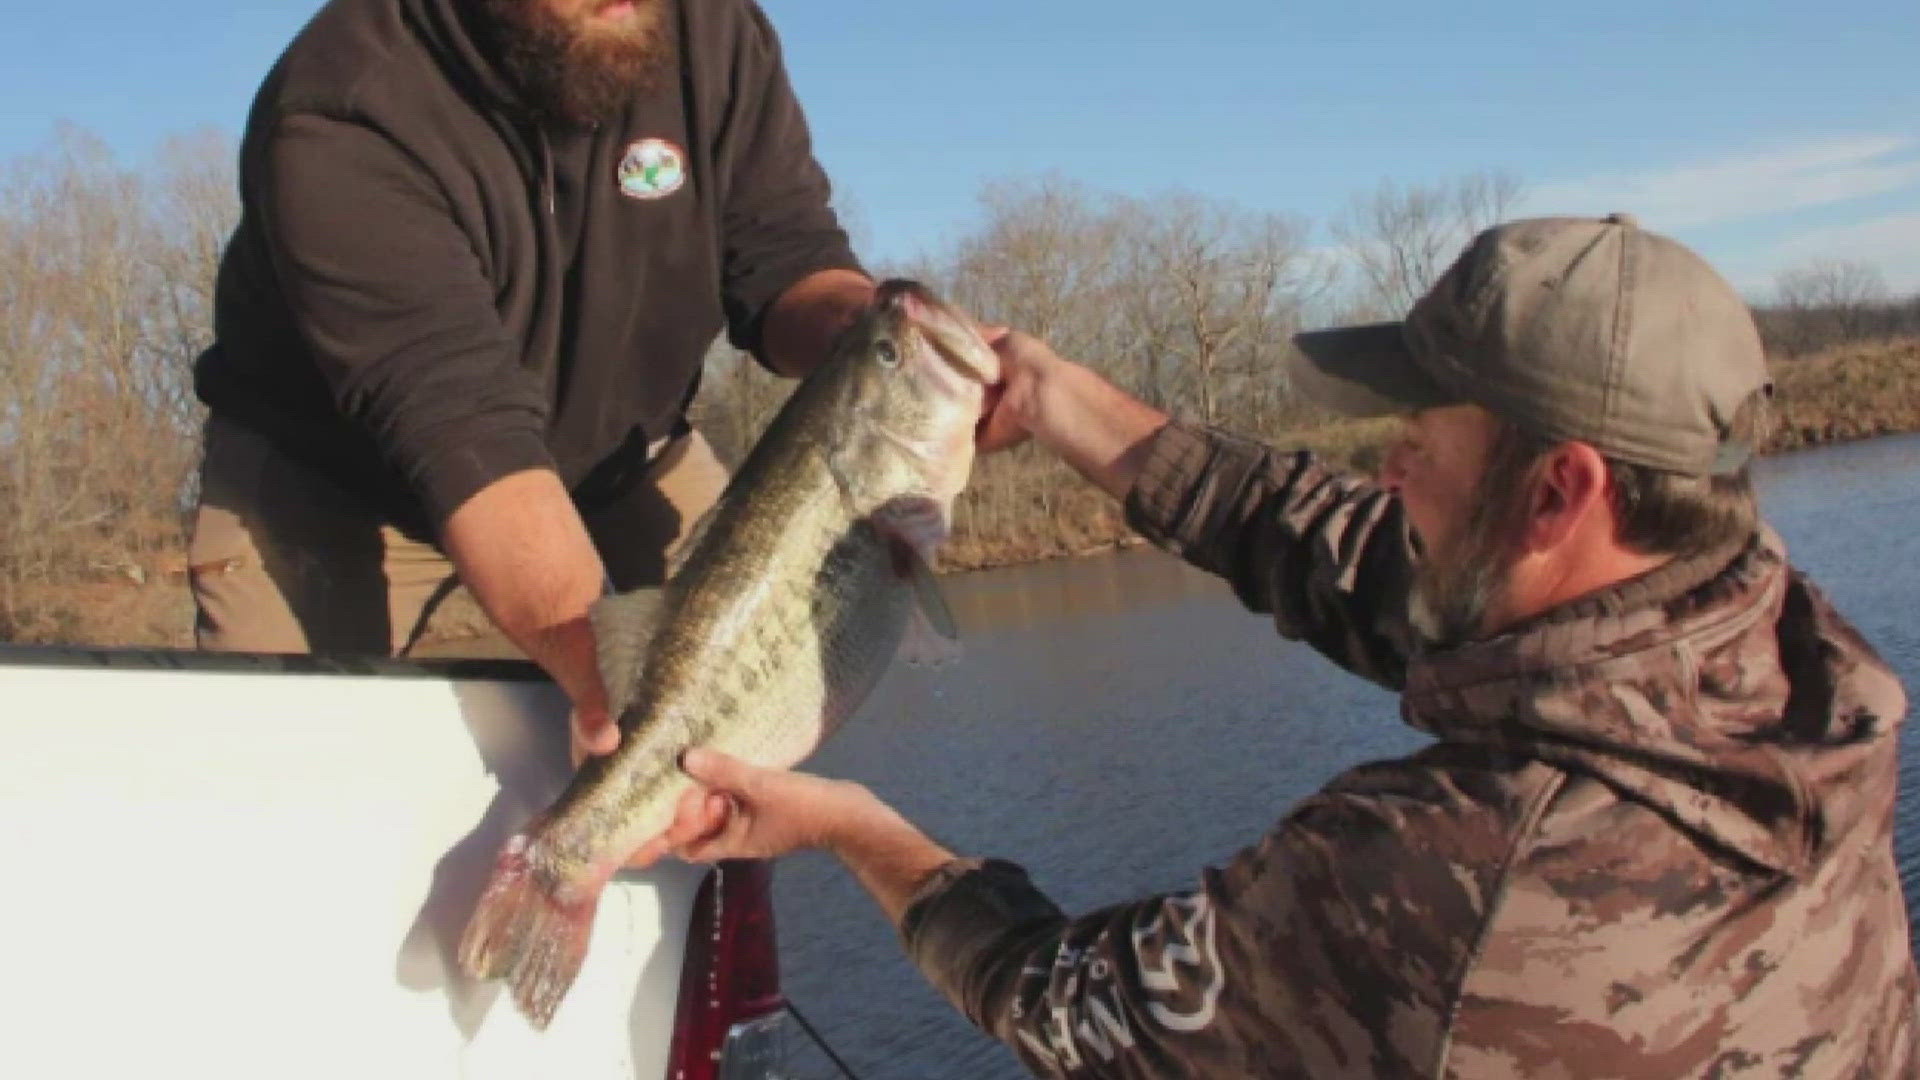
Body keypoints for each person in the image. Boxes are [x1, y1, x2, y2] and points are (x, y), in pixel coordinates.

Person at [638, 214, 1919, 1076]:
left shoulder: (1439, 875)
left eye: (1423, 433)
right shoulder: (1791, 649)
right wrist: (1076, 412)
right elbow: (1351, 556)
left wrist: (848, 824)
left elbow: (1070, 1007)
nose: (1391, 459)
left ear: (1558, 494)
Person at [188, 0, 872, 754]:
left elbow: (783, 255)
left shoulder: (711, 29)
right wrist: (627, 729)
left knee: (734, 739)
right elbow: (466, 436)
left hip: (622, 459)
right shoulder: (343, 110)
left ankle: (711, 870)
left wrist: (893, 341)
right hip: (334, 490)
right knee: (282, 771)